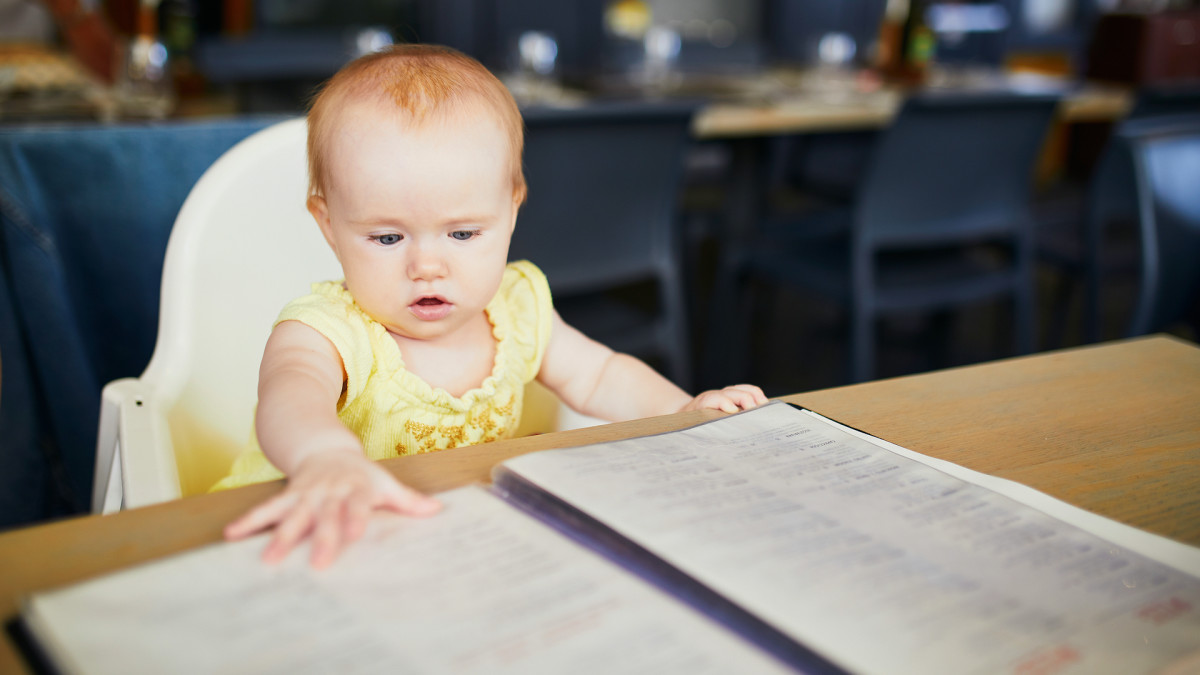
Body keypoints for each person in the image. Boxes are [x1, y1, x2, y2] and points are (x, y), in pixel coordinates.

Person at [218, 44, 766, 569]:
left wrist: (681, 412)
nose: (427, 266)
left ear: (511, 210)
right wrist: (325, 460)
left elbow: (600, 376)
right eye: (387, 238)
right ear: (329, 225)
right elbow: (289, 399)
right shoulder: (327, 332)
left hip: (440, 542)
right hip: (307, 527)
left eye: (461, 234)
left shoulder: (517, 308)